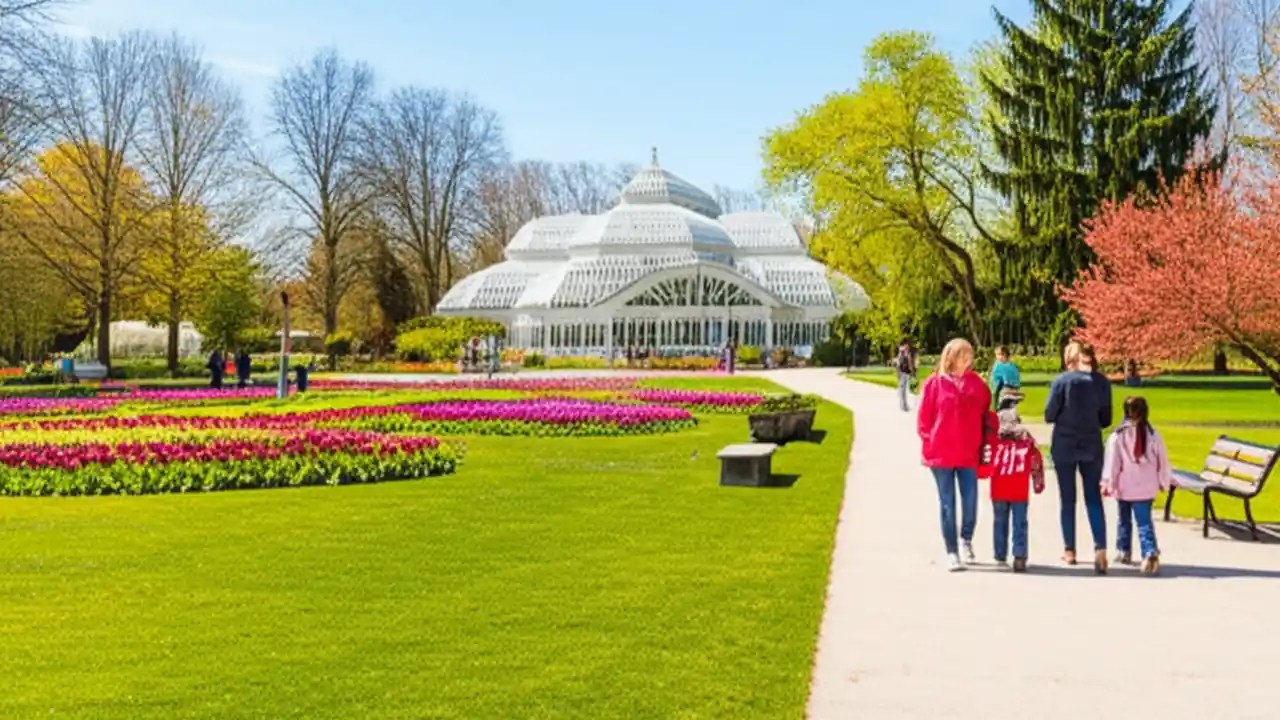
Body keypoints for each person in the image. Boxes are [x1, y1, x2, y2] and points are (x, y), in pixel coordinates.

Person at [918, 338, 991, 571]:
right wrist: (930, 441)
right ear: (951, 357)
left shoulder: (976, 384)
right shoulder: (934, 384)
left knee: (970, 500)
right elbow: (923, 420)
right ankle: (951, 551)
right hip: (941, 454)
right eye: (963, 355)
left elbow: (985, 410)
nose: (967, 360)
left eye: (969, 355)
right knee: (947, 503)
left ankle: (965, 539)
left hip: (968, 452)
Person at [1045, 340, 1114, 573]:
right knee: (1093, 498)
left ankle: (1070, 549)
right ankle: (1100, 547)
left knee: (1068, 498)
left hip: (1065, 442)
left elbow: (1049, 414)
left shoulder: (1062, 382)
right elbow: (1106, 419)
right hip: (1091, 443)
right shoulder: (1102, 383)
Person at [1103, 397, 1172, 575]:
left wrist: (1108, 483)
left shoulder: (1118, 435)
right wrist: (1164, 481)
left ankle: (1123, 550)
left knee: (1123, 520)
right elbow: (1162, 461)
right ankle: (1149, 551)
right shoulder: (1154, 435)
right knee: (1144, 522)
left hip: (1125, 485)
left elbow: (1113, 463)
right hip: (1146, 486)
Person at [979, 397, 1046, 572]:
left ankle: (1000, 554)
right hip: (1019, 488)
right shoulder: (1025, 439)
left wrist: (982, 473)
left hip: (999, 486)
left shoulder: (995, 439)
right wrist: (1038, 483)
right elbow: (1036, 461)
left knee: (1000, 520)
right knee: (1020, 522)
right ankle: (1019, 555)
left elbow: (985, 458)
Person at [893, 340, 917, 413]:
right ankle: (904, 406)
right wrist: (912, 372)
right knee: (903, 390)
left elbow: (897, 364)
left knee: (902, 390)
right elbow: (909, 364)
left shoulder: (901, 353)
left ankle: (903, 405)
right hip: (904, 373)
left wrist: (897, 372)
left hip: (902, 372)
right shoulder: (905, 354)